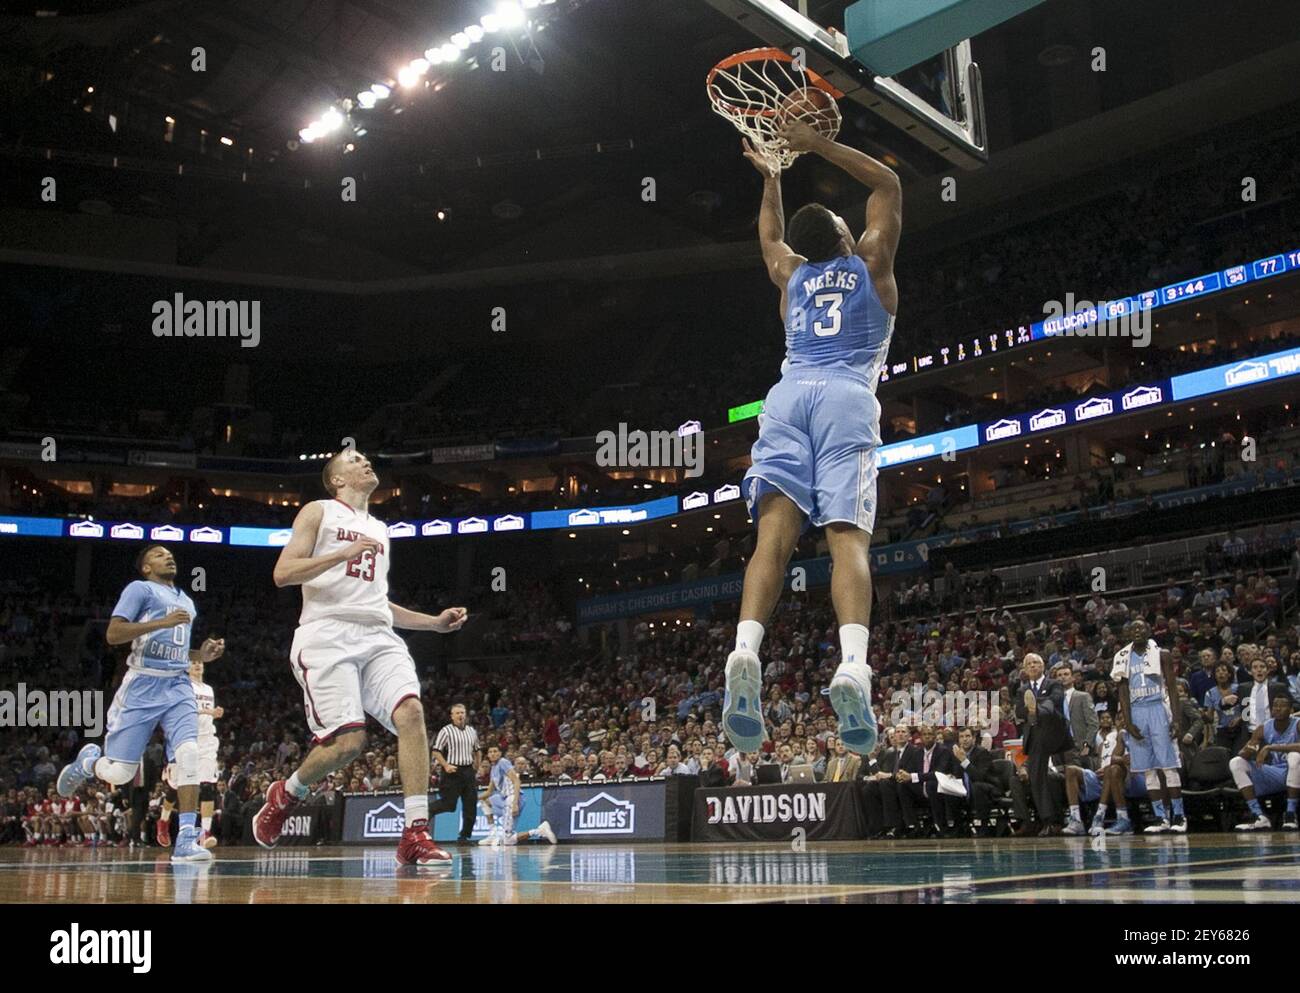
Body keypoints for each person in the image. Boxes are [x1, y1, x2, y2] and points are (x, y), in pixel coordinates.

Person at [722, 116, 902, 761]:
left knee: (774, 538)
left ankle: (745, 649)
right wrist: (816, 144)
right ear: (846, 235)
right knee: (845, 536)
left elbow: (769, 235)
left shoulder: (790, 276)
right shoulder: (871, 264)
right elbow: (887, 183)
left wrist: (771, 177)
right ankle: (853, 663)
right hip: (846, 400)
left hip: (787, 397)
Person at [253, 449, 468, 866]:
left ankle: (415, 833)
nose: (366, 462)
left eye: (367, 459)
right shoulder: (318, 512)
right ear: (337, 480)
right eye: (355, 460)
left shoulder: (378, 528)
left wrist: (434, 623)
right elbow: (283, 573)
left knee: (412, 713)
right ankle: (287, 793)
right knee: (349, 744)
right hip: (326, 633)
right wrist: (340, 555)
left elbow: (378, 604)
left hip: (377, 635)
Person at [56, 544, 225, 862]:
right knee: (120, 773)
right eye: (159, 555)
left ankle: (187, 839)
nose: (168, 557)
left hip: (177, 684)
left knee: (190, 754)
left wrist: (201, 655)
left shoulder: (186, 600)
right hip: (142, 685)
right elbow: (114, 634)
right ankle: (88, 763)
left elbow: (177, 651)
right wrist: (160, 623)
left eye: (170, 554)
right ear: (146, 567)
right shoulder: (139, 589)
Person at [1112, 619, 1185, 834]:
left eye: (1141, 627)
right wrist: (1128, 721)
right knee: (1148, 770)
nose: (1137, 631)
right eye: (1132, 628)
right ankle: (1161, 818)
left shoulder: (1162, 654)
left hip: (1158, 708)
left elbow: (1172, 688)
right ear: (1127, 633)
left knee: (1168, 765)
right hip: (1136, 711)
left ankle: (1179, 817)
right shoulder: (1122, 658)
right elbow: (1123, 692)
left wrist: (1177, 719)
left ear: (1149, 630)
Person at [1015, 652, 1069, 835]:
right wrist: (1030, 710)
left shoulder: (1054, 684)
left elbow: (1055, 702)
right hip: (1035, 737)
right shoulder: (1022, 690)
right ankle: (1047, 820)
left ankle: (1057, 819)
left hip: (1054, 735)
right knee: (1037, 779)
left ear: (1043, 666)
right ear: (1024, 669)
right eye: (1028, 663)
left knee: (1051, 778)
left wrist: (1035, 708)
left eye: (1035, 662)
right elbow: (1020, 712)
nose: (1032, 666)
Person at [1230, 695, 1300, 831]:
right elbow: (1245, 751)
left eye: (1282, 705)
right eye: (1275, 706)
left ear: (1291, 710)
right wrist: (1248, 751)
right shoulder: (1263, 728)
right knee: (1236, 762)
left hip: (1296, 772)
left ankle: (1291, 815)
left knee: (1294, 757)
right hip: (1277, 773)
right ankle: (1259, 816)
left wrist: (1270, 747)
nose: (1278, 708)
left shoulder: (1297, 724)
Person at [477, 745, 556, 847]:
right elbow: (489, 792)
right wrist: (471, 798)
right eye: (490, 751)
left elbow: (516, 781)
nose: (492, 753)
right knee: (484, 800)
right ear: (488, 755)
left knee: (508, 840)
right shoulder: (493, 769)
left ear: (500, 753)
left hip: (513, 798)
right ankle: (492, 833)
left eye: (495, 751)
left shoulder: (503, 762)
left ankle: (539, 831)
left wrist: (515, 803)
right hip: (502, 799)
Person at [430, 703, 480, 844]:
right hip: (452, 771)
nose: (460, 715)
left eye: (462, 712)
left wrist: (477, 765)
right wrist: (445, 765)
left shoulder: (471, 731)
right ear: (452, 716)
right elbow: (436, 751)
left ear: (466, 715)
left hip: (468, 771)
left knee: (471, 805)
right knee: (449, 805)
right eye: (457, 713)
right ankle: (427, 811)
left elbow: (477, 749)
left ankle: (464, 837)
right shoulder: (446, 731)